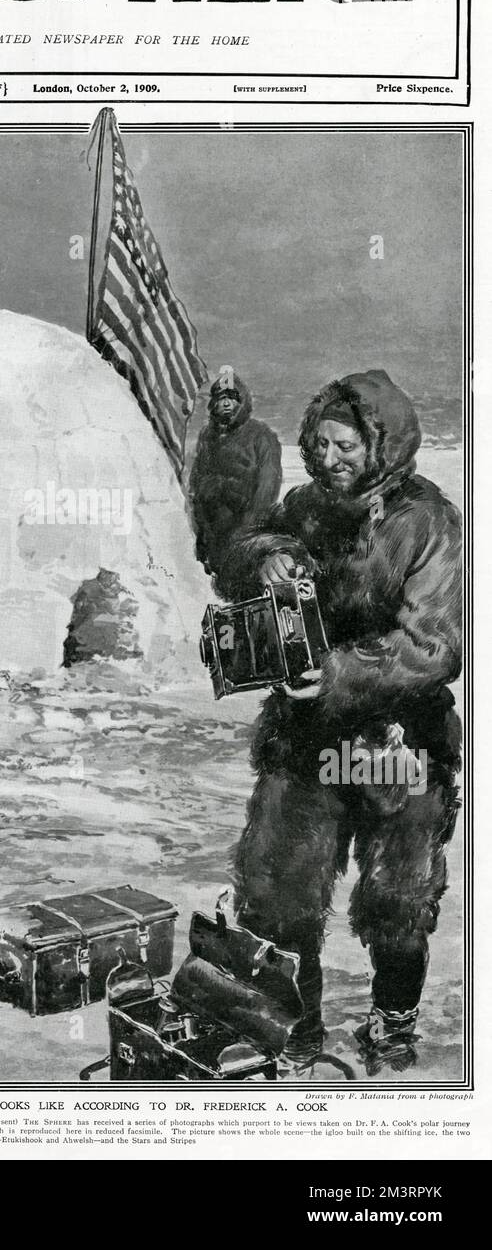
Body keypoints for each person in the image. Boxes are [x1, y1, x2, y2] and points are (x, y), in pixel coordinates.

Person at [219, 369, 462, 1075]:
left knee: (397, 894)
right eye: (320, 443)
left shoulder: (429, 523)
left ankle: (392, 1024)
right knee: (278, 884)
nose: (330, 459)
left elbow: (436, 647)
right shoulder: (305, 507)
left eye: (346, 445)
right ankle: (291, 1028)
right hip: (304, 737)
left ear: (382, 447)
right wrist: (267, 557)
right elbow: (240, 552)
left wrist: (338, 673)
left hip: (397, 741)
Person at [189, 370, 282, 585]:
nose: (226, 404)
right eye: (221, 398)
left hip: (246, 528)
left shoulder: (261, 435)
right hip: (213, 531)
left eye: (232, 397)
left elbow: (267, 487)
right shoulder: (207, 436)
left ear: (243, 401)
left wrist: (248, 529)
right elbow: (197, 479)